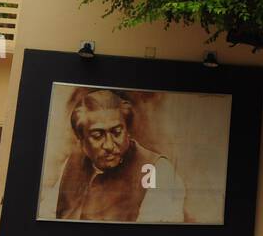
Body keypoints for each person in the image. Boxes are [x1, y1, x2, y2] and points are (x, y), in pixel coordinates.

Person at [55, 88, 188, 223]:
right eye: (97, 135)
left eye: (117, 132)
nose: (109, 145)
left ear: (127, 131)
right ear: (81, 139)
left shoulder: (157, 171)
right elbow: (49, 215)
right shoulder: (72, 164)